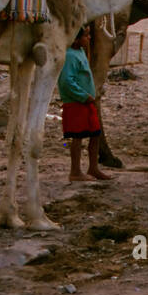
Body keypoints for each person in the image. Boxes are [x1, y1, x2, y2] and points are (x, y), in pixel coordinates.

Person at [57, 29, 110, 182]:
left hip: (87, 102)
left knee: (95, 134)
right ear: (75, 39)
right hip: (76, 102)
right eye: (85, 36)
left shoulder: (80, 51)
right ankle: (75, 171)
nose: (89, 37)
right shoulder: (69, 56)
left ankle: (93, 167)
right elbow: (66, 81)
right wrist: (82, 96)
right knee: (77, 137)